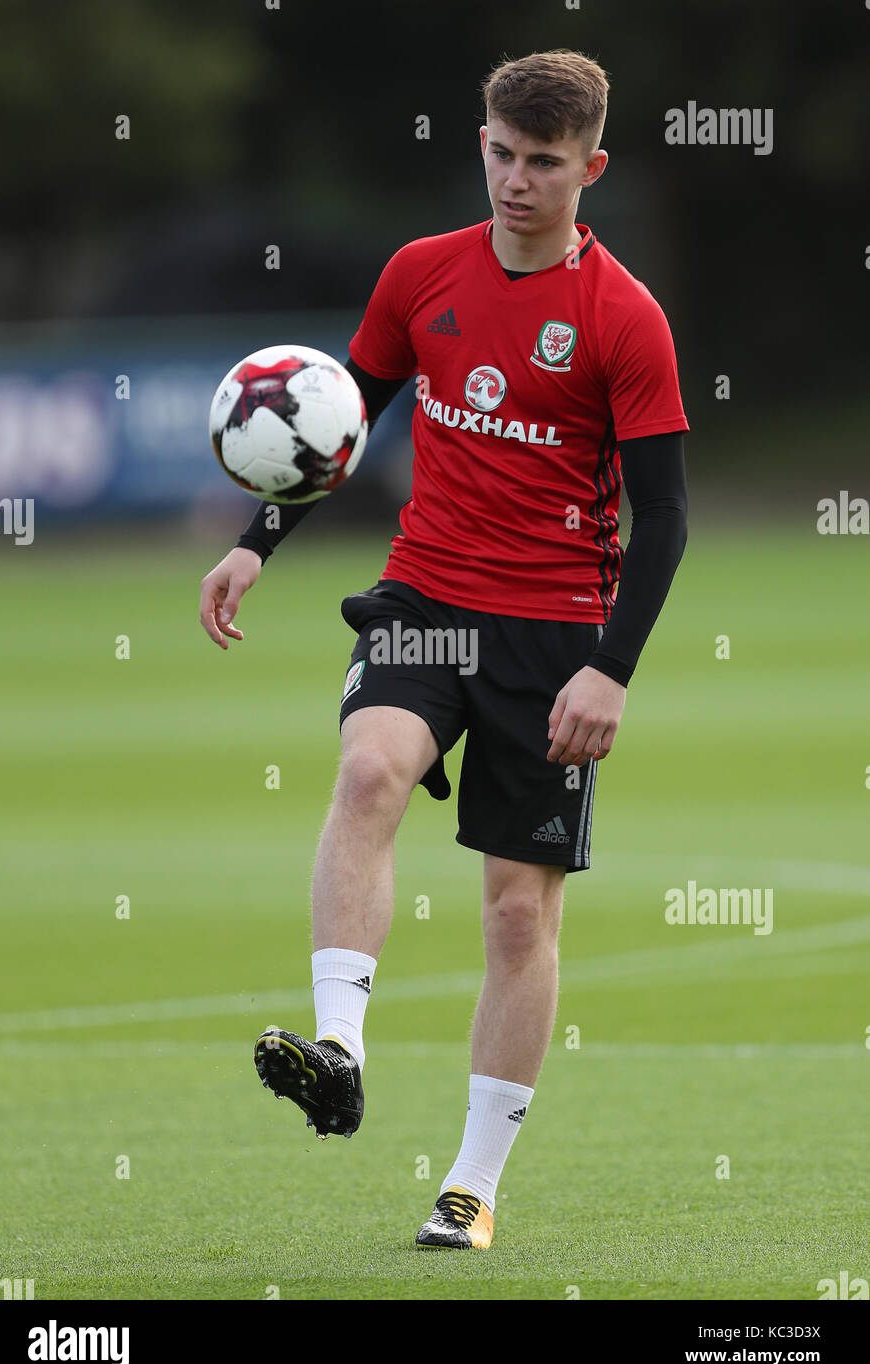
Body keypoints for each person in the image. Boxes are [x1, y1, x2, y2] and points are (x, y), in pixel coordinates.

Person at [199, 48, 688, 1250]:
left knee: (518, 917)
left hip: (554, 635)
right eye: (501, 153)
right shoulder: (422, 275)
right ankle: (339, 1047)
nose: (516, 182)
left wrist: (609, 667)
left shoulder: (623, 317)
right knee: (368, 771)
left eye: (544, 163)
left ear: (590, 167)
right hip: (423, 594)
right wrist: (258, 539)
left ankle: (469, 1185)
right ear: (480, 141)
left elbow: (666, 516)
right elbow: (336, 424)